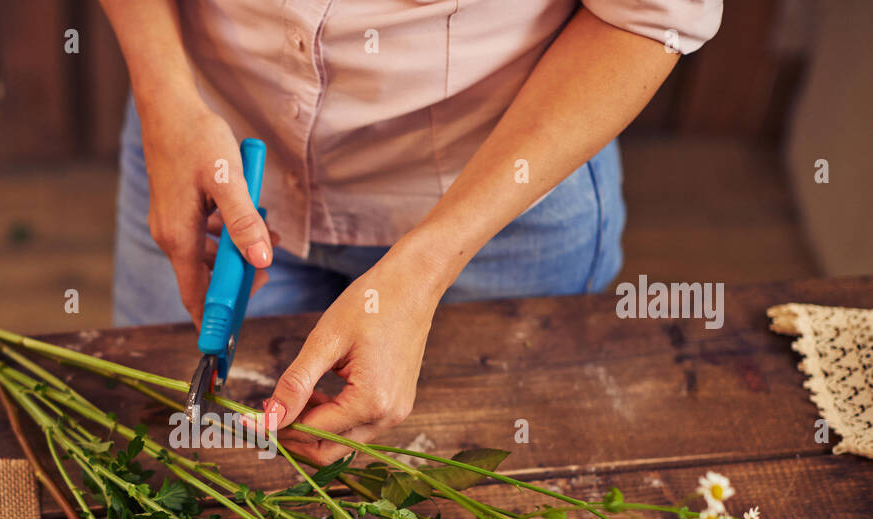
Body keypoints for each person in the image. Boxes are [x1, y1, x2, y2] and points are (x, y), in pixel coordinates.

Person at [101, 0, 723, 464]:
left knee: (498, 471)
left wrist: (425, 269)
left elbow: (649, 15)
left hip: (498, 194)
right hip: (207, 147)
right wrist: (163, 100)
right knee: (159, 447)